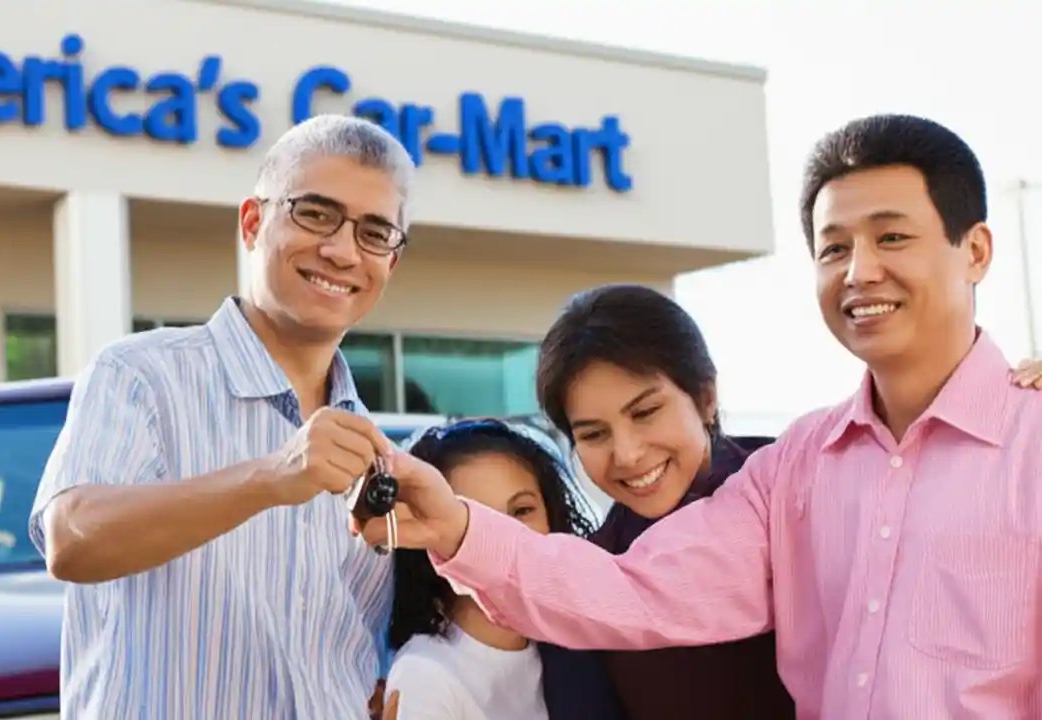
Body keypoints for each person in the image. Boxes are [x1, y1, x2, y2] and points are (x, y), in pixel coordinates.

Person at [363, 113, 1042, 719]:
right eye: (834, 248)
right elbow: (636, 589)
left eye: (892, 237)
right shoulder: (797, 468)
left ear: (976, 250)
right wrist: (454, 527)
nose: (860, 271)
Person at [29, 114, 415, 719]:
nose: (342, 251)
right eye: (316, 213)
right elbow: (71, 539)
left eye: (374, 232)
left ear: (391, 262)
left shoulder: (377, 448)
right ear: (253, 223)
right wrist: (267, 478)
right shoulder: (141, 375)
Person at [532, 283, 796, 719]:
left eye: (645, 412)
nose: (628, 454)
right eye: (594, 434)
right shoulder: (586, 579)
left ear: (706, 397)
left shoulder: (803, 485)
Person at [381, 418, 600, 719]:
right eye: (473, 519)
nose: (506, 537)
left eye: (522, 511)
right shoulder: (426, 674)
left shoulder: (574, 650)